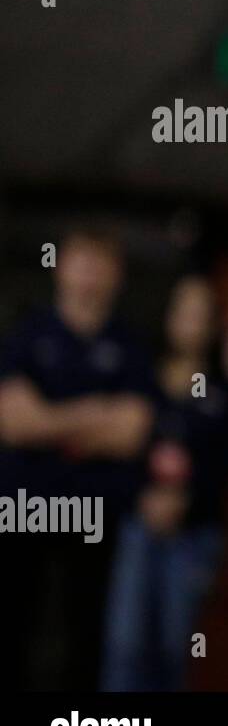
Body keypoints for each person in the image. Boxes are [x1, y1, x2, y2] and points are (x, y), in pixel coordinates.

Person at [0, 226, 155, 690]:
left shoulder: (130, 346)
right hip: (23, 507)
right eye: (80, 258)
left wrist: (48, 418)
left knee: (86, 634)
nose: (89, 271)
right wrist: (92, 413)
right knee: (13, 626)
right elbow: (13, 423)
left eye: (100, 261)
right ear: (60, 266)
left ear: (117, 275)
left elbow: (130, 433)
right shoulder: (27, 333)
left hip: (97, 513)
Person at [101, 274, 228, 691]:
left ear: (216, 323)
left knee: (173, 647)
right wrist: (142, 497)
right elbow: (116, 450)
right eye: (185, 311)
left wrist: (186, 500)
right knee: (125, 644)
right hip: (137, 526)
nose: (192, 323)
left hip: (194, 534)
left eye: (203, 314)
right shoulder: (139, 380)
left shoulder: (224, 394)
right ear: (168, 316)